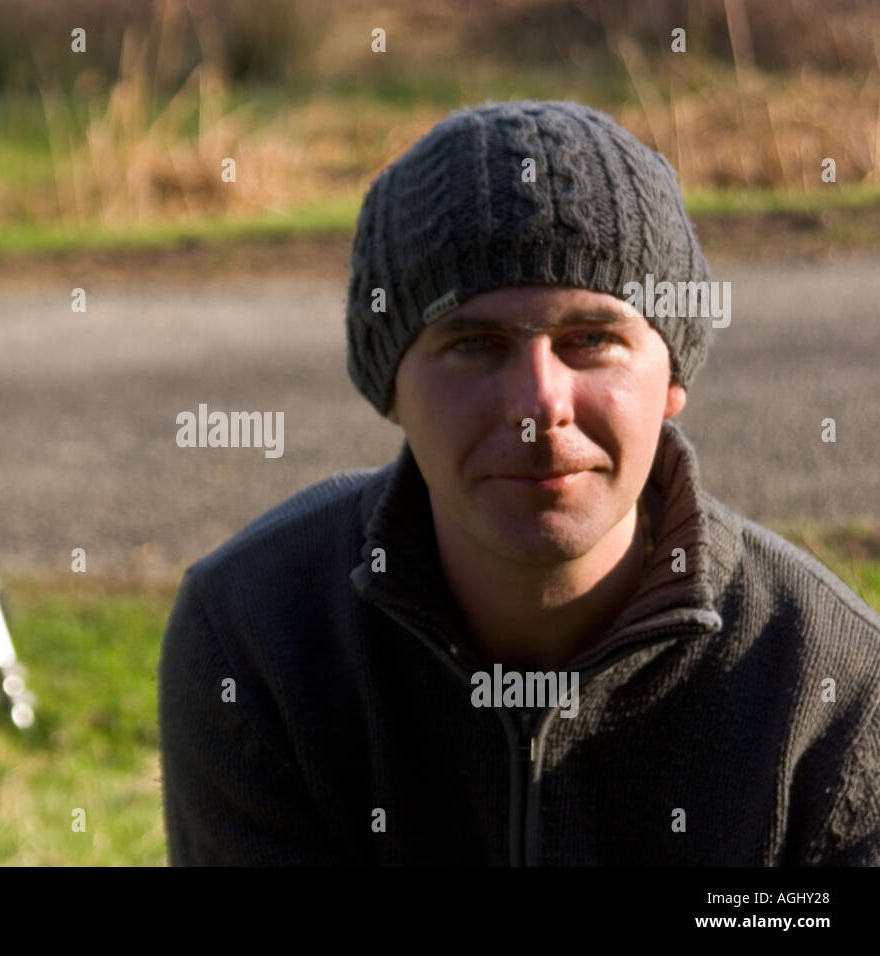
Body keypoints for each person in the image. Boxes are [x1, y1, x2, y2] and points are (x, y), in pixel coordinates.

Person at [157, 100, 880, 865]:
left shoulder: (826, 684)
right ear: (389, 387)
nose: (539, 407)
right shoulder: (257, 638)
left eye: (592, 340)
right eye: (475, 344)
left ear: (673, 376)